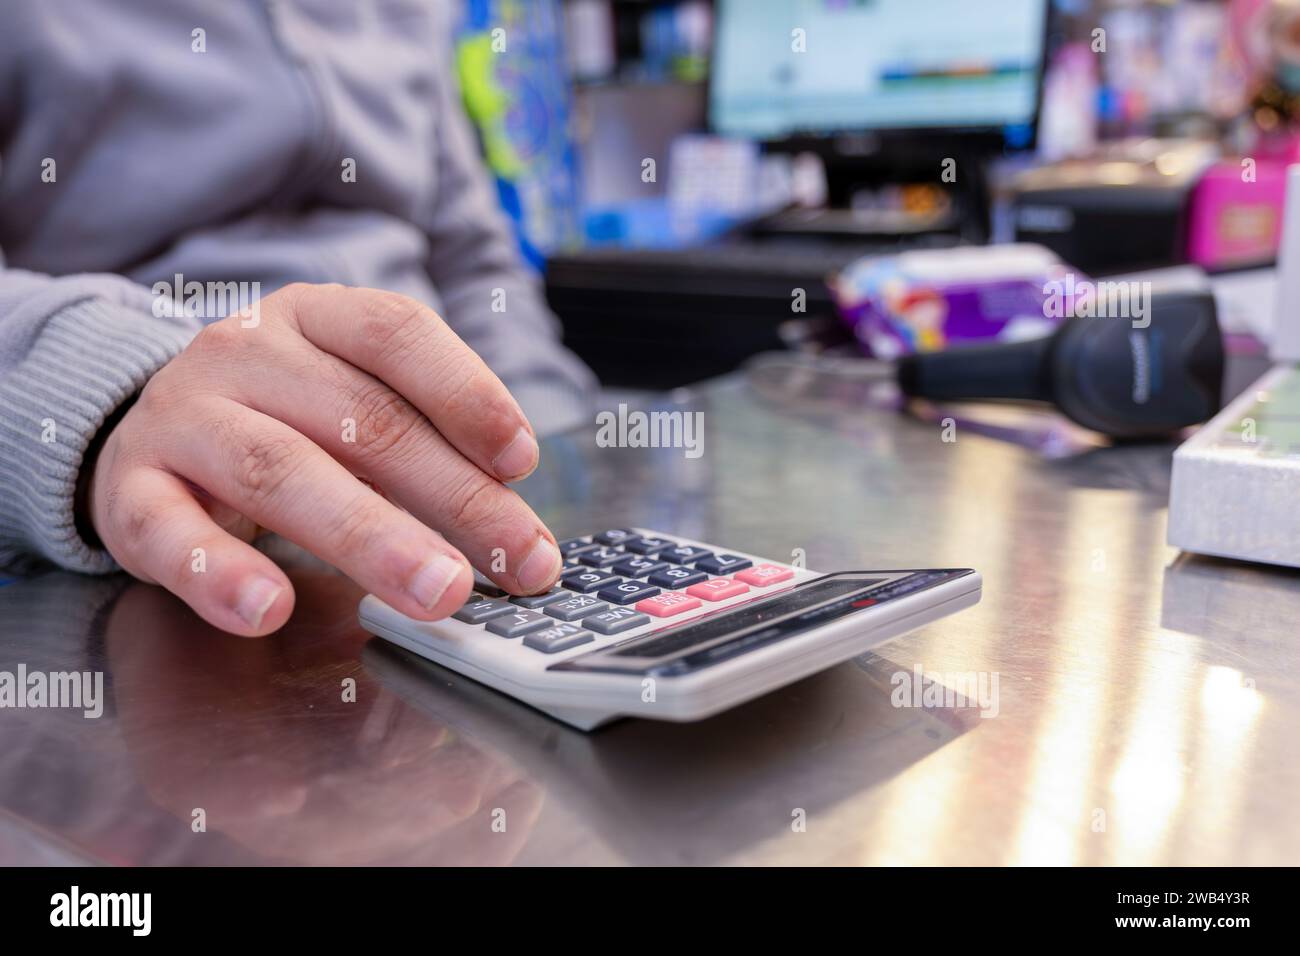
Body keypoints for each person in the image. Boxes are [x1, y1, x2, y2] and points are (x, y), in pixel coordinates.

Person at [0, 1, 596, 635]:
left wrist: (546, 445)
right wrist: (106, 409)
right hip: (181, 494)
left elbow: (474, 260)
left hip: (456, 498)